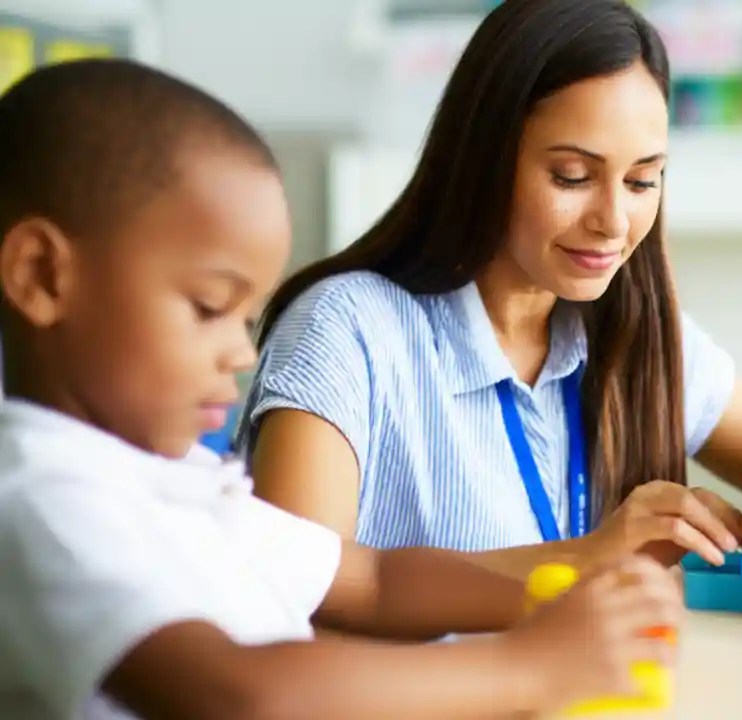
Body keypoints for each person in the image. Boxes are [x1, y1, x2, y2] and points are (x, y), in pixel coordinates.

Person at [0, 59, 681, 719]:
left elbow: (372, 581)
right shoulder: (42, 501)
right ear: (41, 276)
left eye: (245, 317)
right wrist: (528, 666)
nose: (242, 350)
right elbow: (238, 698)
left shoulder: (178, 477)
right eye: (209, 307)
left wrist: (554, 597)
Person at [242, 0, 742, 578]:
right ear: (482, 158)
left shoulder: (633, 328)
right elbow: (300, 590)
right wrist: (585, 560)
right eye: (571, 177)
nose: (613, 222)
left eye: (642, 179)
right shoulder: (347, 329)